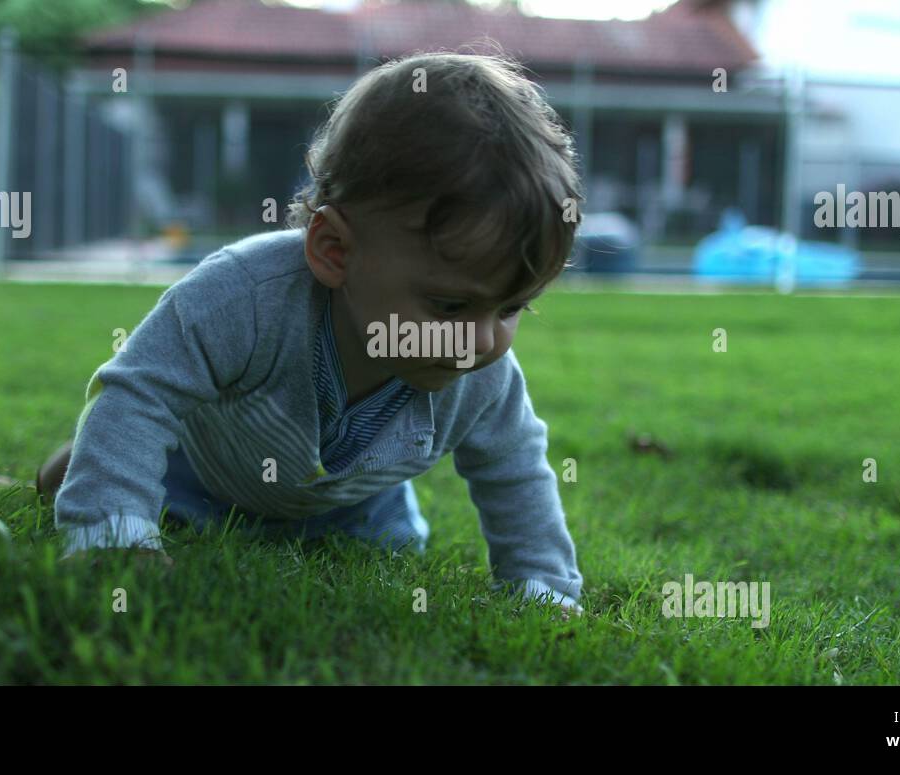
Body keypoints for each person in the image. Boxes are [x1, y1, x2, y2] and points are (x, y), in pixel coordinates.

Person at [40, 50, 586, 614]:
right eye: (450, 304)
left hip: (355, 513)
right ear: (334, 251)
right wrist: (113, 533)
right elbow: (140, 392)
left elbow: (514, 466)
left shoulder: (484, 374)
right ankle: (85, 468)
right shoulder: (245, 296)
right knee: (100, 466)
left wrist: (540, 585)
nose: (479, 342)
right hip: (202, 477)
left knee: (379, 553)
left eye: (513, 306)